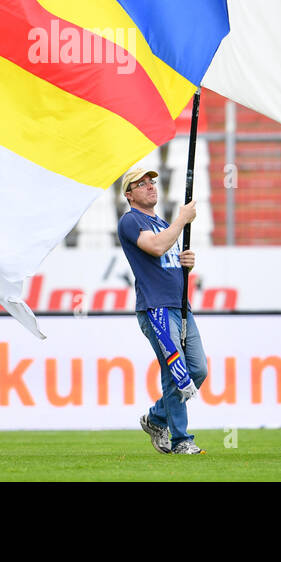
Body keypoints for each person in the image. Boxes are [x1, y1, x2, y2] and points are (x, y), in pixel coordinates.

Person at [117, 166, 208, 455]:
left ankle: (157, 418)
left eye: (151, 182)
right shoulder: (130, 221)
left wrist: (187, 263)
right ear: (129, 194)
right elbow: (156, 248)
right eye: (141, 184)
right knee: (174, 372)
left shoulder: (163, 223)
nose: (150, 186)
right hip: (155, 307)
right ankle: (182, 440)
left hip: (180, 305)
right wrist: (182, 220)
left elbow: (167, 257)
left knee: (197, 369)